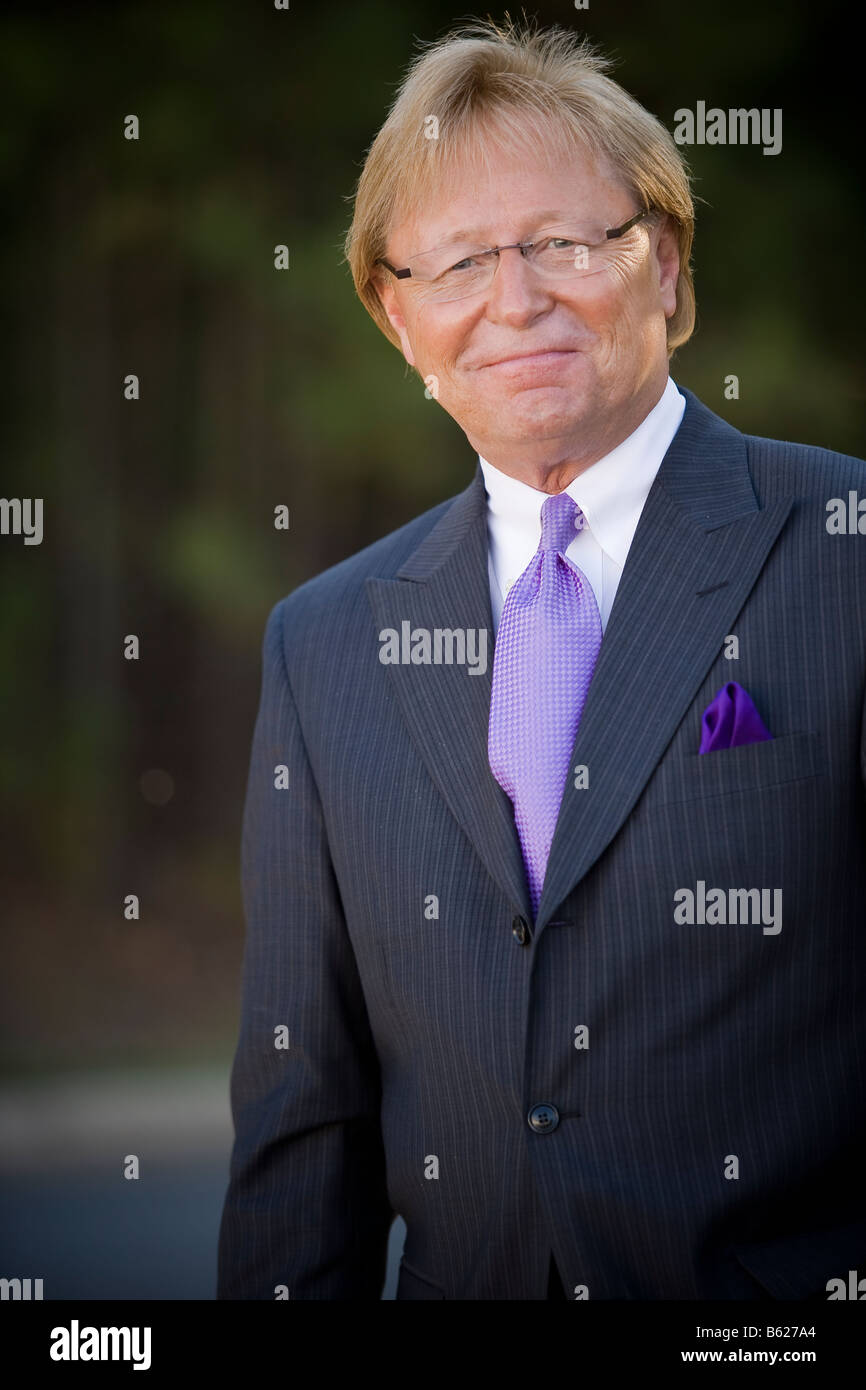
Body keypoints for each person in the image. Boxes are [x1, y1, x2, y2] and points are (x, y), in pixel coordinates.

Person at [217, 17, 866, 1299]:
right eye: (456, 264)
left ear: (665, 267)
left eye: (563, 245)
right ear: (398, 321)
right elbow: (304, 1118)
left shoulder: (846, 553)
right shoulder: (325, 640)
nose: (514, 300)